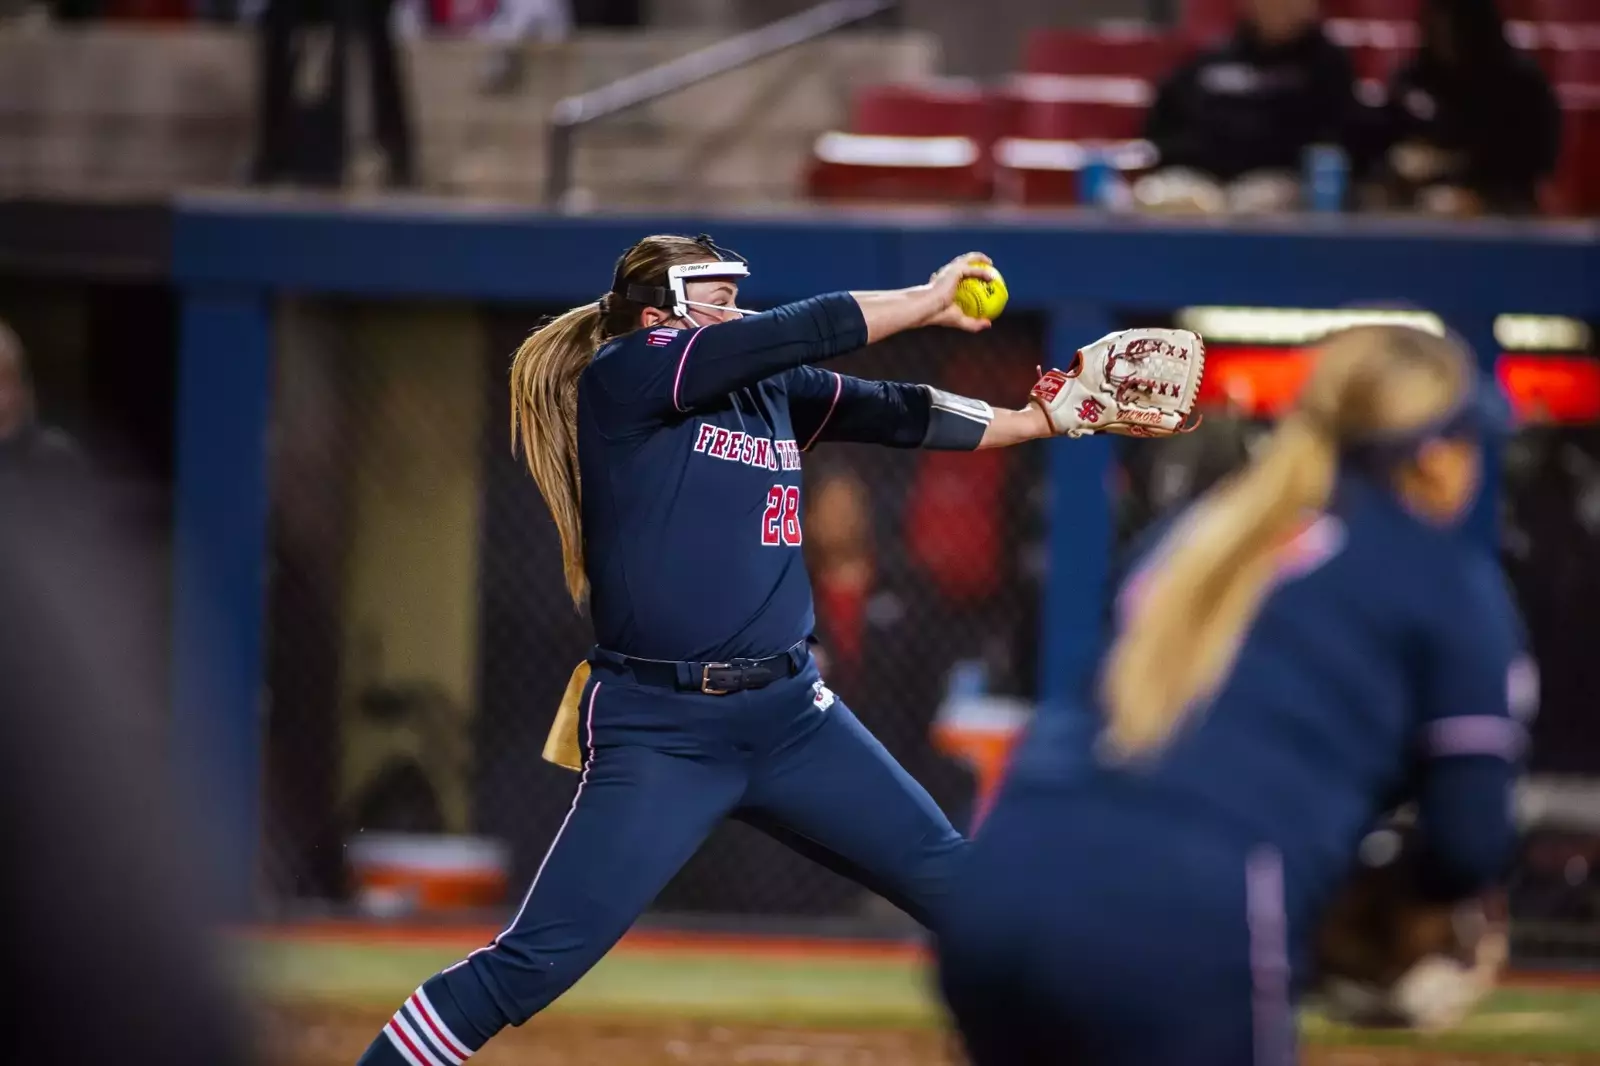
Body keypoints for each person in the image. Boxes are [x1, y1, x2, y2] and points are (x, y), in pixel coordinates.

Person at [353, 233, 1079, 1066]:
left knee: (964, 891)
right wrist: (926, 299)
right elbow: (798, 330)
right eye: (714, 294)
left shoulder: (763, 383)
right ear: (658, 313)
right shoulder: (628, 370)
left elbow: (898, 411)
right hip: (666, 729)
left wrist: (1037, 421)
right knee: (527, 969)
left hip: (793, 717)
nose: (735, 307)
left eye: (735, 294)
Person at [937, 325, 1532, 1065]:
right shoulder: (1443, 579)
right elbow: (1472, 841)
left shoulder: (1196, 536)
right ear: (1438, 454)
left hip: (999, 877)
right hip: (1191, 913)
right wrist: (1371, 906)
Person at [1137, 0, 1359, 214]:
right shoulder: (1209, 61)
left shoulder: (1328, 66)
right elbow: (1164, 129)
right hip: (1202, 181)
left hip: (1281, 183)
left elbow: (1335, 138)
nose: (1279, 6)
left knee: (1257, 203)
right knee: (1156, 197)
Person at [1364, 0, 1561, 216]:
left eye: (1451, 25)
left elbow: (1533, 161)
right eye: (1434, 23)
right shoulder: (1413, 78)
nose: (1441, 34)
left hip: (1501, 204)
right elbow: (1388, 138)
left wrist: (1470, 190)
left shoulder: (1521, 84)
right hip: (1418, 202)